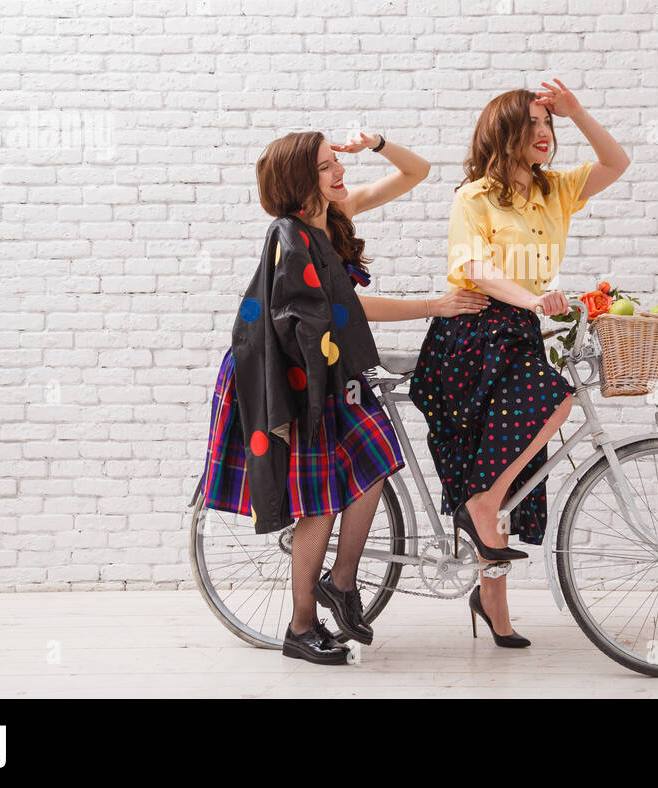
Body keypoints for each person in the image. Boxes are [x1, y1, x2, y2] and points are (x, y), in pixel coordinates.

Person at [233, 130, 487, 666]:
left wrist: (378, 144)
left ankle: (341, 583)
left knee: (374, 467)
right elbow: (345, 306)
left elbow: (416, 171)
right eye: (326, 167)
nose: (337, 174)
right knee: (322, 503)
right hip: (301, 381)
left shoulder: (337, 212)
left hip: (335, 372)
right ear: (301, 180)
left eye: (335, 163)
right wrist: (433, 307)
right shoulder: (290, 234)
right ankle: (300, 628)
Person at [409, 78, 630, 647]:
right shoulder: (474, 195)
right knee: (548, 409)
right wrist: (534, 299)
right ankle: (478, 505)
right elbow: (476, 266)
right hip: (472, 333)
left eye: (547, 124)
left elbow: (617, 161)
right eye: (531, 124)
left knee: (510, 473)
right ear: (502, 133)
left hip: (521, 333)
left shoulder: (556, 191)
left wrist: (575, 109)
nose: (543, 134)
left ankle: (494, 606)